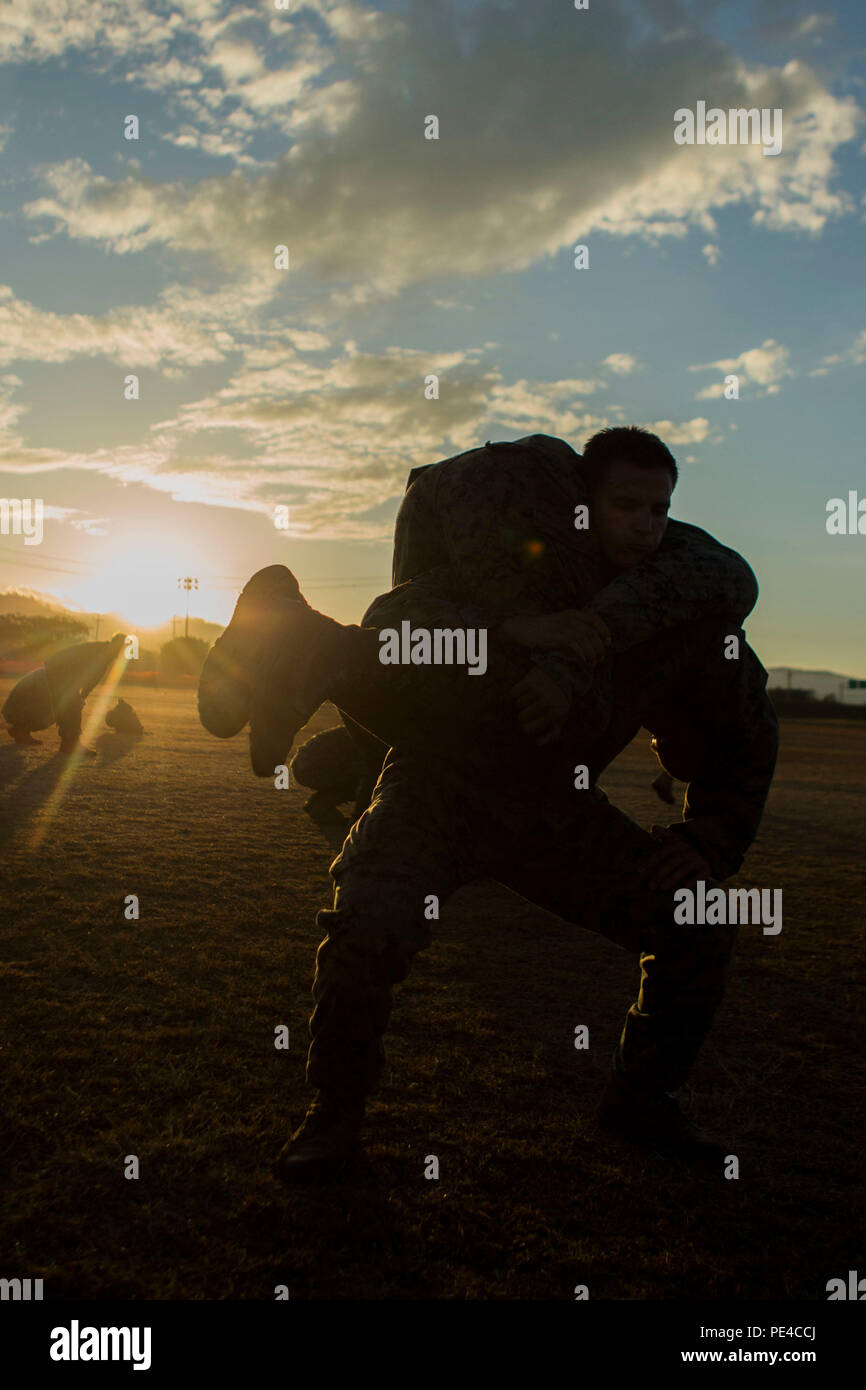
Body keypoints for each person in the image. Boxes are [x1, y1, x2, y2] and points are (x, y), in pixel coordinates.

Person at [198, 428, 776, 1178]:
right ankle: (333, 1118)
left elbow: (747, 724)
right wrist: (504, 627)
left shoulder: (675, 606)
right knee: (367, 923)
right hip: (440, 784)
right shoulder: (510, 559)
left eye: (660, 509)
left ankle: (642, 1100)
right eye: (625, 504)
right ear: (581, 506)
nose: (644, 523)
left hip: (554, 805)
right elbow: (394, 619)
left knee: (698, 924)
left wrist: (708, 838)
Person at [3, 633, 126, 753]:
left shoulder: (102, 652)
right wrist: (80, 697)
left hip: (53, 673)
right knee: (70, 706)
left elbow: (90, 681)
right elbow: (88, 677)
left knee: (67, 705)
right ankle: (70, 744)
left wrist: (82, 696)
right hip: (54, 674)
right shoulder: (101, 652)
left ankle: (20, 730)